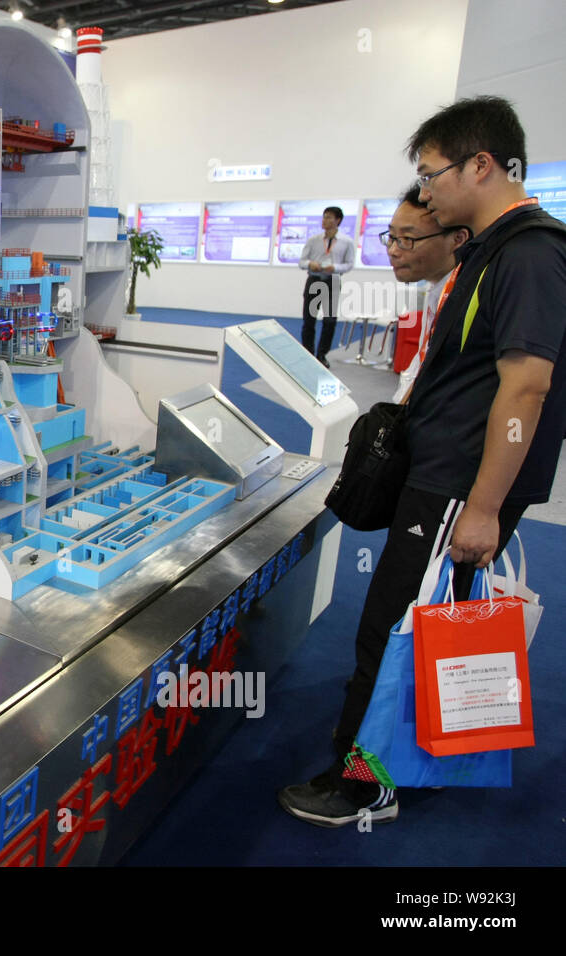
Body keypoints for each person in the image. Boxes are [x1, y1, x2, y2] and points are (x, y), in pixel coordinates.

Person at [279, 95, 566, 827]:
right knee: (436, 623)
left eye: (431, 173)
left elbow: (526, 387)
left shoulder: (531, 254)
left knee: (393, 624)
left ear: (481, 165)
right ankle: (422, 757)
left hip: (456, 486)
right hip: (446, 479)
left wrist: (481, 506)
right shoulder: (490, 249)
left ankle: (361, 782)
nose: (427, 189)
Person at [384, 186, 470, 402]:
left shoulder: (465, 303)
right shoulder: (437, 290)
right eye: (392, 237)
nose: (393, 250)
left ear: (457, 239)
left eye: (407, 239)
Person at [297, 206, 356, 367]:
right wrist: (310, 263)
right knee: (309, 320)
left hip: (333, 281)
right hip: (314, 280)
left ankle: (322, 355)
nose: (325, 220)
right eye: (324, 217)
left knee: (329, 321)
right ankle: (308, 353)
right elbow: (301, 261)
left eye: (329, 217)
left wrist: (335, 268)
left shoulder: (347, 242)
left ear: (338, 220)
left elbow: (349, 264)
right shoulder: (313, 240)